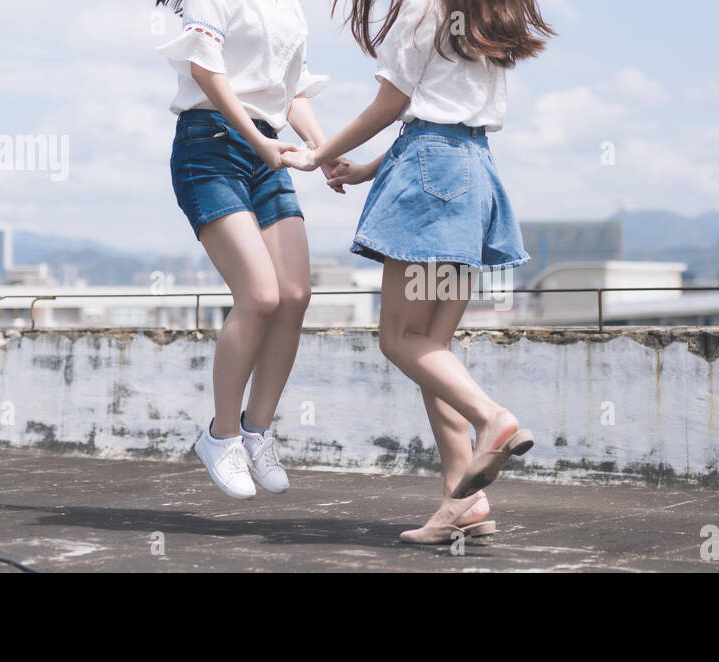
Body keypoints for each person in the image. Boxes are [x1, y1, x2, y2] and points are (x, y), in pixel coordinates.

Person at [284, 0, 554, 543]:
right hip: (472, 173)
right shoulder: (483, 16)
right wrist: (364, 169)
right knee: (432, 351)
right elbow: (441, 122)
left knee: (400, 338)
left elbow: (393, 103)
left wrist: (320, 153)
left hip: (431, 178)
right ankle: (464, 502)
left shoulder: (423, 10)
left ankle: (491, 418)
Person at [155, 0, 346, 500]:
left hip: (268, 150)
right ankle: (222, 435)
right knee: (259, 295)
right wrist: (257, 141)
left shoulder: (289, 9)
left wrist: (323, 151)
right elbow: (205, 69)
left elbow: (290, 91)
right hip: (210, 145)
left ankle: (256, 430)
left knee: (295, 294)